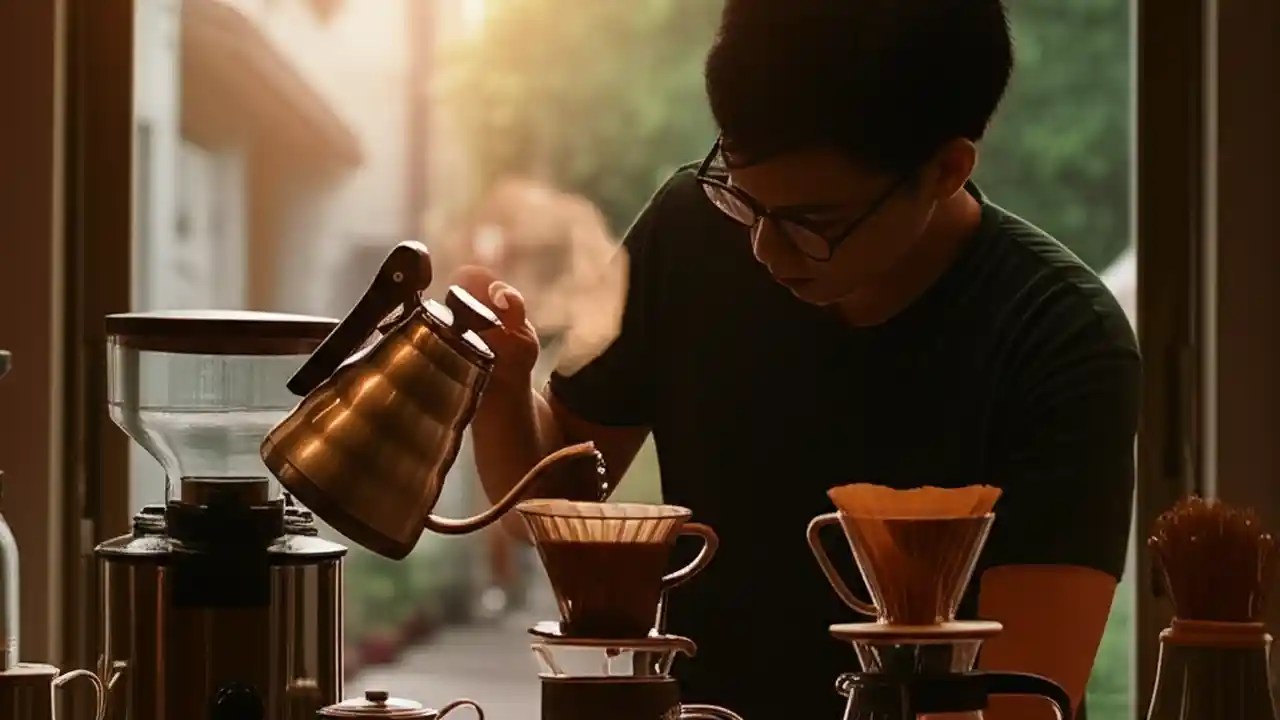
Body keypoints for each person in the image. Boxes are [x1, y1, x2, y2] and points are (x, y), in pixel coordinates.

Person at [458, 0, 1139, 717]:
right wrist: (502, 384)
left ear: (945, 168)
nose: (763, 249)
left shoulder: (1060, 339)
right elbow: (551, 509)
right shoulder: (690, 231)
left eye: (814, 223)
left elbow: (1022, 705)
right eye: (743, 199)